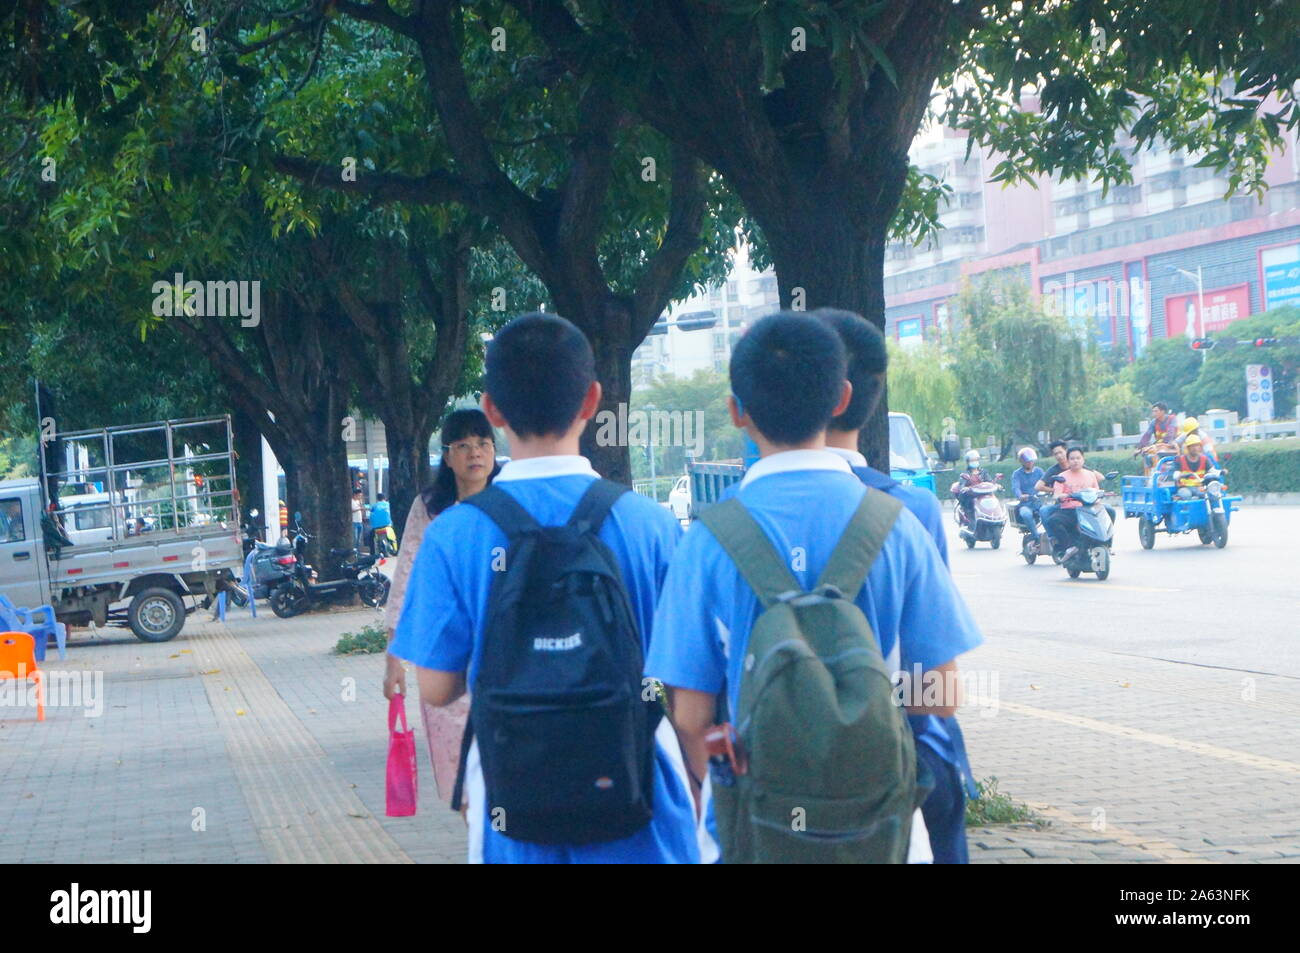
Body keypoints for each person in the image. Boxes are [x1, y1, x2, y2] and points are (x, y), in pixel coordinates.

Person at [647, 311, 983, 865]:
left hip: (751, 834)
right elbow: (940, 696)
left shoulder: (706, 540)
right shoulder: (896, 524)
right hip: (884, 831)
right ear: (840, 398)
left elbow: (689, 717)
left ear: (736, 410)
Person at [389, 313, 697, 863]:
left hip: (514, 809)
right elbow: (685, 688)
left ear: (492, 410)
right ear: (592, 400)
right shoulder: (649, 525)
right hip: (639, 803)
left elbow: (436, 688)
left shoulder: (453, 534)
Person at [814, 307, 975, 864]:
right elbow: (934, 685)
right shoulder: (912, 510)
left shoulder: (732, 520)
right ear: (869, 394)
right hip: (904, 771)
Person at [384, 409, 503, 804]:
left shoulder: (512, 504)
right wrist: (394, 661)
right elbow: (405, 579)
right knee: (463, 781)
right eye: (463, 445)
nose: (475, 453)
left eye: (483, 443)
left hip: (507, 655)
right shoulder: (430, 509)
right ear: (447, 456)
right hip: (446, 661)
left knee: (507, 772)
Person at [1046, 447, 1101, 559]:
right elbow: (1057, 494)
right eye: (1072, 458)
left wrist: (1099, 498)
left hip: (1088, 509)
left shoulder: (1090, 475)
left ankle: (1105, 544)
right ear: (1068, 460)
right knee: (1052, 521)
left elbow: (1097, 491)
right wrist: (1061, 496)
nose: (1075, 461)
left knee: (1110, 511)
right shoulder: (1062, 477)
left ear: (1083, 459)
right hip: (1069, 510)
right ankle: (1069, 547)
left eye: (1078, 458)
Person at [954, 449, 992, 539]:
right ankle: (970, 524)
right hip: (971, 497)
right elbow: (961, 485)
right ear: (968, 462)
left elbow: (990, 482)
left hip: (983, 496)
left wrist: (996, 485)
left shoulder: (984, 472)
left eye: (976, 460)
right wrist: (965, 488)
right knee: (971, 508)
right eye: (972, 460)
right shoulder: (965, 474)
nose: (974, 462)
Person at [1011, 447, 1044, 544]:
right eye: (1027, 461)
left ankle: (1051, 537)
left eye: (1031, 461)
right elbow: (1015, 487)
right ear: (1021, 461)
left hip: (1038, 503)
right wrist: (1020, 495)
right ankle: (1036, 537)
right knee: (1026, 514)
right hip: (1025, 504)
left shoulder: (1039, 471)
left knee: (1048, 513)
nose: (1029, 463)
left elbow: (1046, 482)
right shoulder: (1017, 474)